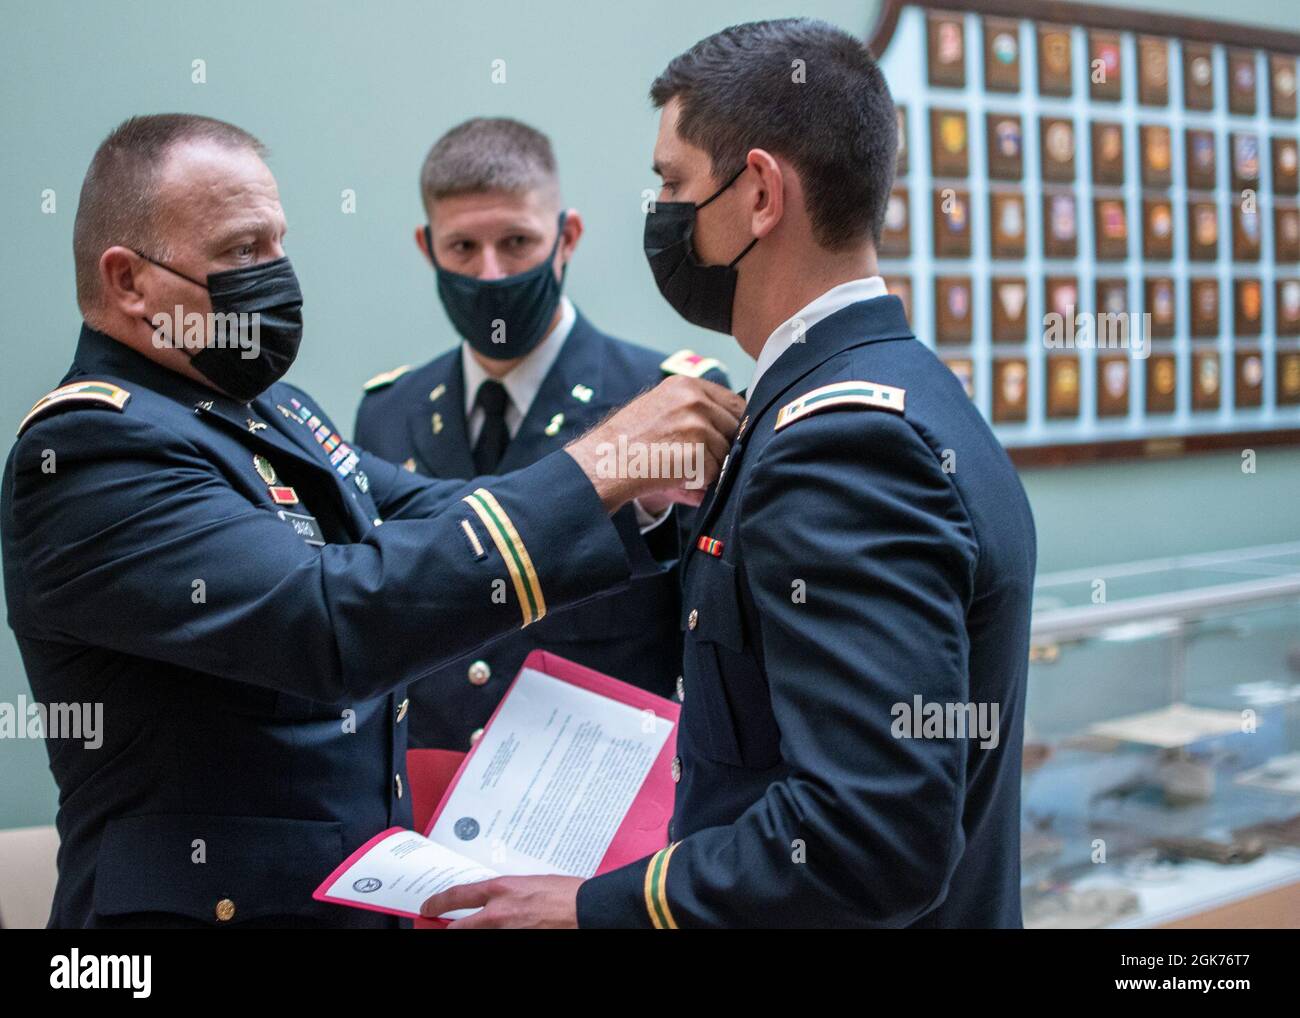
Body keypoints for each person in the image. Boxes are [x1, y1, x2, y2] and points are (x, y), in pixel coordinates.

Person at [1, 113, 743, 928]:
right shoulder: (93, 450)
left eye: (278, 245)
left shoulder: (263, 409)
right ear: (130, 282)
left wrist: (630, 495)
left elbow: (426, 509)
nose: (276, 275)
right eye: (242, 252)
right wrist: (596, 464)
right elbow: (323, 620)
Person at [421, 17, 1037, 929]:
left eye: (673, 183)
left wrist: (598, 906)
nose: (661, 212)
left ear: (758, 194)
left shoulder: (840, 438)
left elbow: (867, 838)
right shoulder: (881, 387)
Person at [354, 117, 727, 749]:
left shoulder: (665, 403)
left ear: (567, 236)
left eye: (518, 241)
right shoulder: (388, 411)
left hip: (600, 815)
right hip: (426, 806)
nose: (493, 274)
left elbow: (704, 636)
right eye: (464, 248)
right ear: (427, 247)